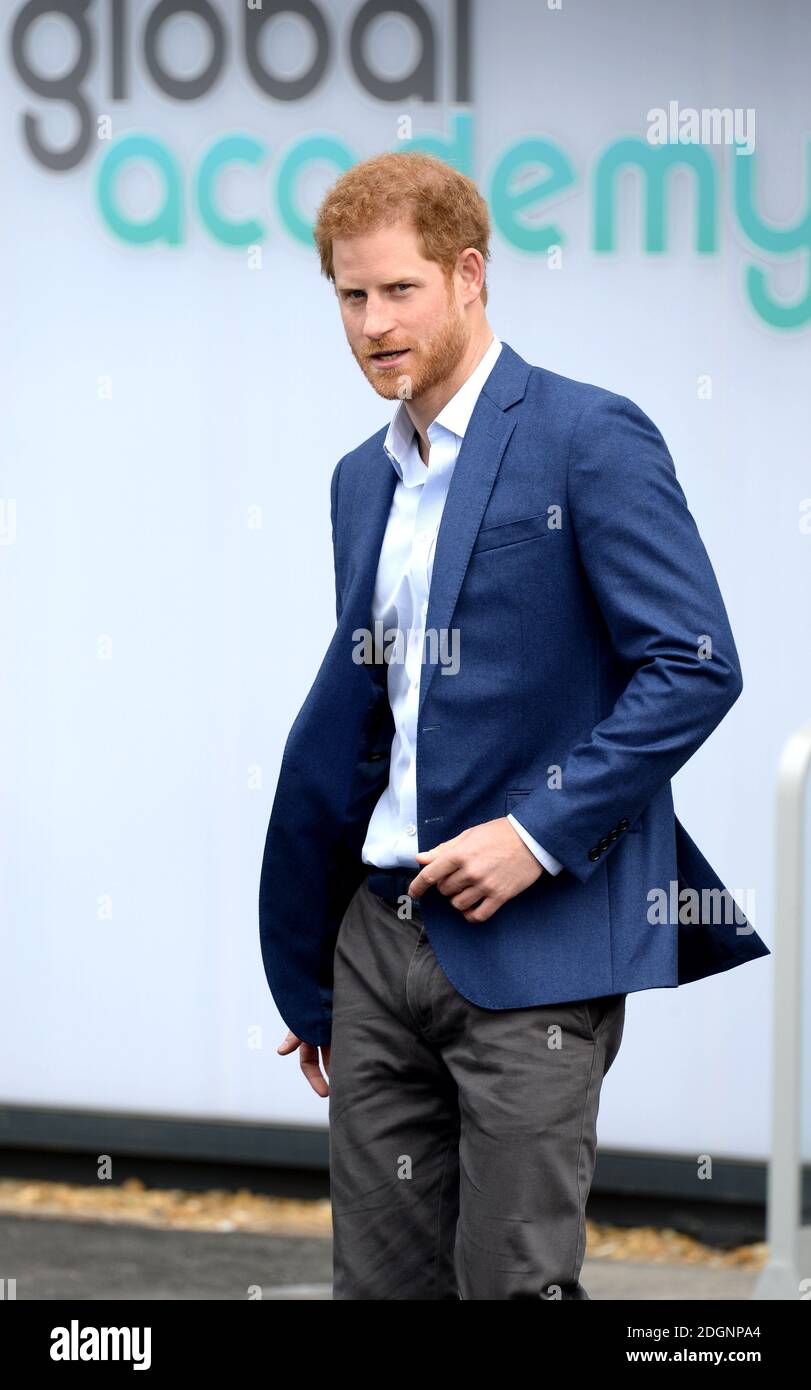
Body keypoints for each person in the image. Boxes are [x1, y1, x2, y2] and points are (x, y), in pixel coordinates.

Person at [258, 151, 770, 1300]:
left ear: (469, 275)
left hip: (538, 943)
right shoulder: (359, 479)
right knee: (380, 1289)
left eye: (400, 290)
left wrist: (531, 832)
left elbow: (692, 667)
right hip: (378, 942)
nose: (374, 324)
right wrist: (313, 953)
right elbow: (370, 720)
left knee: (510, 1285)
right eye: (352, 296)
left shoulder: (588, 436)